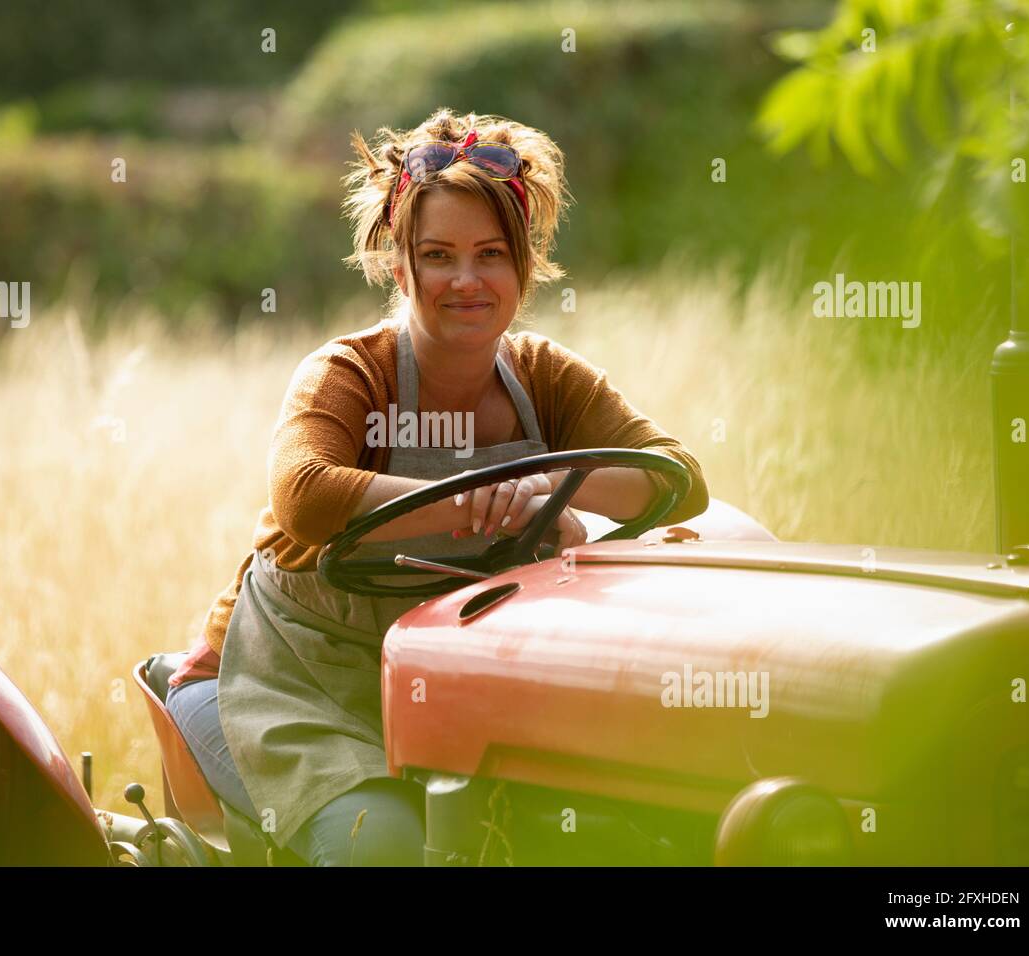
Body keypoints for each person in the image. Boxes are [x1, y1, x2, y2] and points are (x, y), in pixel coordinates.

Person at [165, 108, 710, 866]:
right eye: (438, 254)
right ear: (400, 267)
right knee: (378, 844)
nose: (466, 280)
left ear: (525, 265)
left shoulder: (547, 378)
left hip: (454, 683)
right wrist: (480, 500)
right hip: (290, 686)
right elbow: (305, 495)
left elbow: (678, 481)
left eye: (491, 253)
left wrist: (554, 484)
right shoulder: (351, 372)